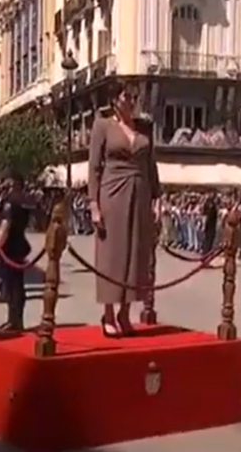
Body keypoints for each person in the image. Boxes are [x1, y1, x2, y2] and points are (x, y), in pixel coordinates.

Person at [87, 84, 161, 337]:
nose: (131, 101)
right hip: (112, 193)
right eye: (126, 96)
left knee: (135, 255)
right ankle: (108, 313)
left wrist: (157, 198)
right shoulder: (102, 125)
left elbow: (152, 166)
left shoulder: (144, 128)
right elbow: (94, 167)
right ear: (115, 100)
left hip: (139, 194)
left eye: (134, 96)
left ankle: (124, 312)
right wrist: (94, 205)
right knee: (112, 255)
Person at [0, 170, 32, 332]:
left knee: (11, 285)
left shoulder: (9, 203)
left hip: (9, 249)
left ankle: (13, 321)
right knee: (17, 285)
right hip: (19, 245)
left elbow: (5, 226)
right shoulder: (23, 201)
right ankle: (15, 320)